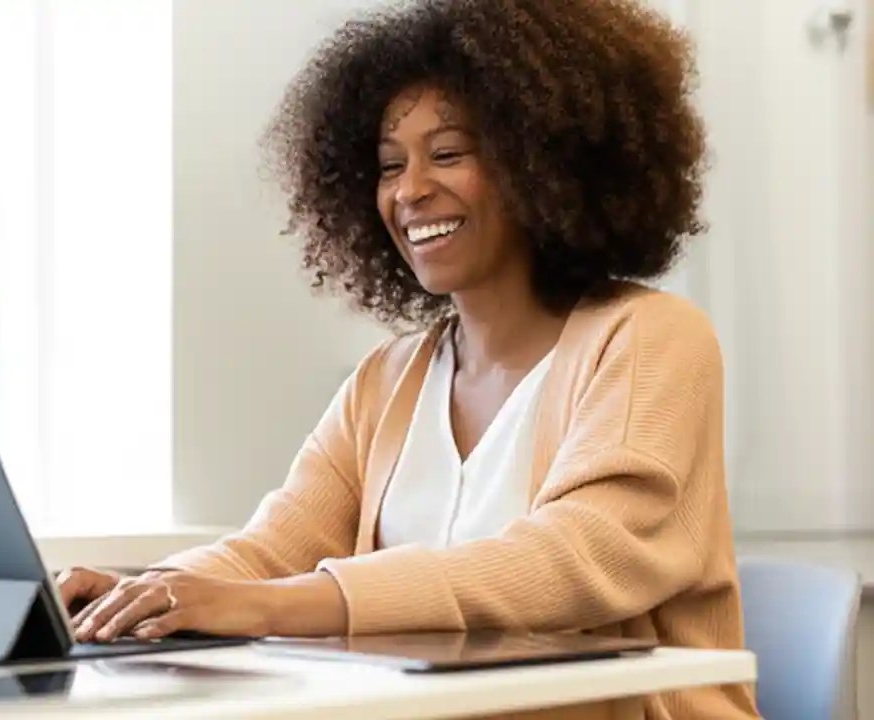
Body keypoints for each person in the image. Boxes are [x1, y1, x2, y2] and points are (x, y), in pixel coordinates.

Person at [59, 0, 758, 716]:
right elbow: (269, 550)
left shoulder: (650, 338)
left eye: (448, 154)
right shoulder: (386, 381)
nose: (410, 190)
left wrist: (273, 605)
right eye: (390, 166)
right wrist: (140, 595)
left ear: (543, 161)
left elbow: (574, 560)